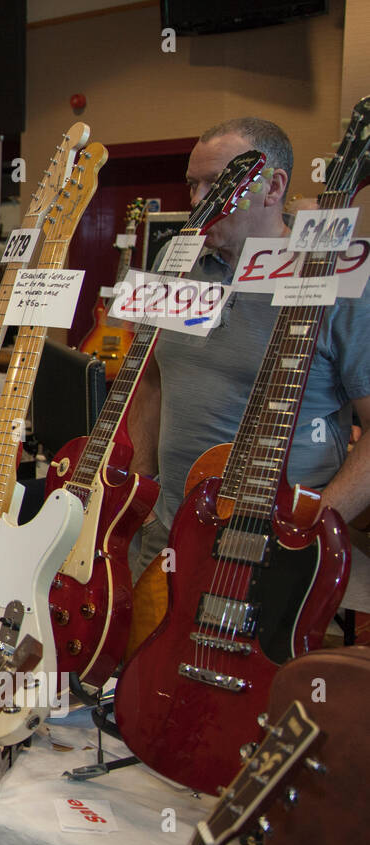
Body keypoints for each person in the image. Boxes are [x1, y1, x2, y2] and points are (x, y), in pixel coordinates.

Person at [127, 117, 370, 577]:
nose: (198, 201)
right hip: (166, 530)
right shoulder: (174, 259)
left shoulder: (338, 272)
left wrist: (311, 529)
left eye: (216, 183)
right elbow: (153, 381)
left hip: (273, 543)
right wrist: (141, 492)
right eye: (192, 185)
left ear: (273, 186)